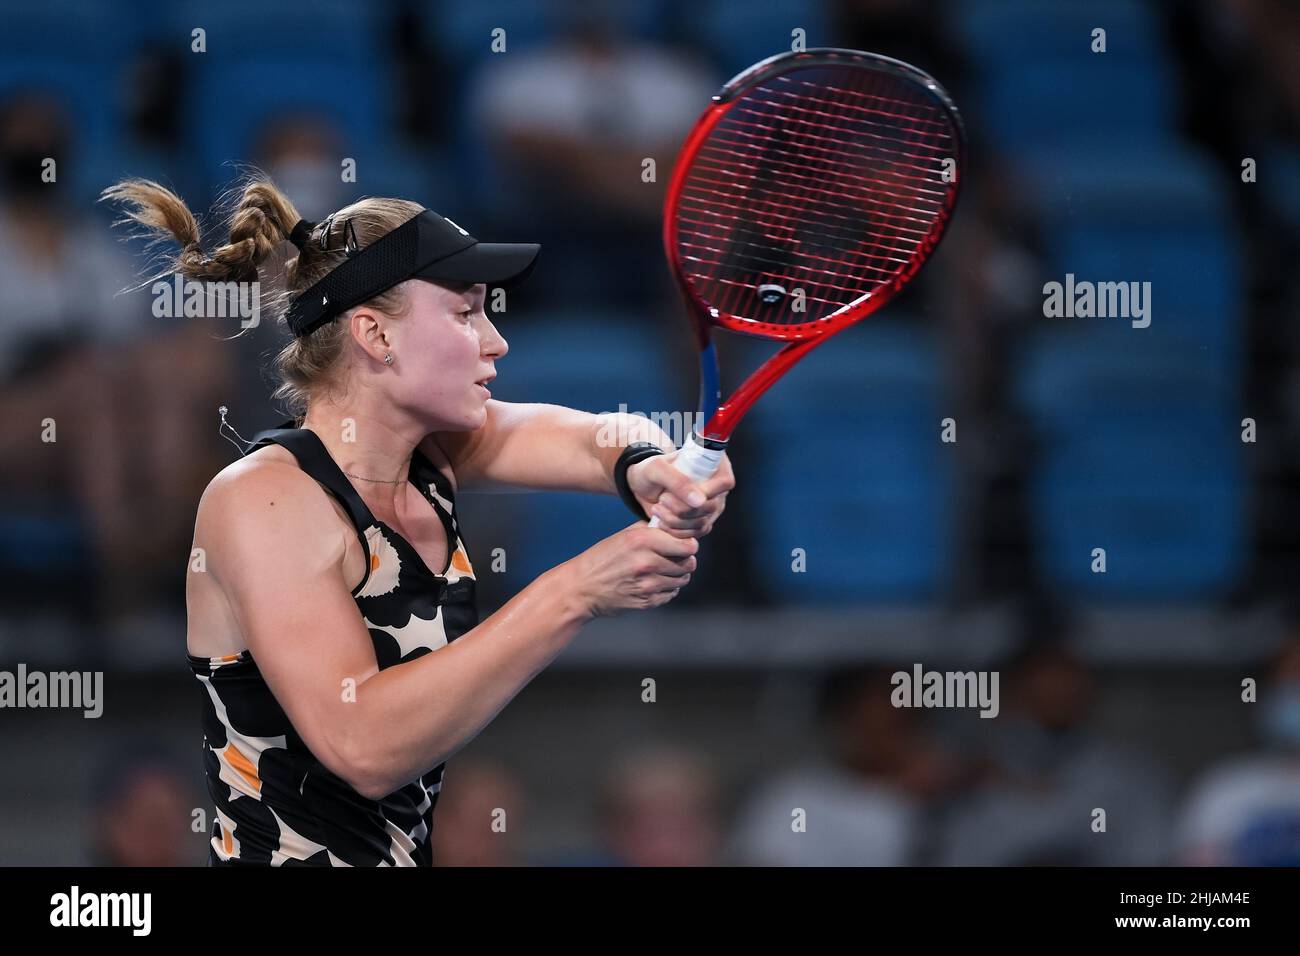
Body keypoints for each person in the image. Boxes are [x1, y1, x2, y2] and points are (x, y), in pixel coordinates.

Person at [101, 175, 735, 866]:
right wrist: (574, 592)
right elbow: (363, 745)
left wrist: (650, 463)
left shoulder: (431, 459)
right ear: (374, 333)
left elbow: (590, 438)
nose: (496, 342)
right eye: (466, 315)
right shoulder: (263, 500)